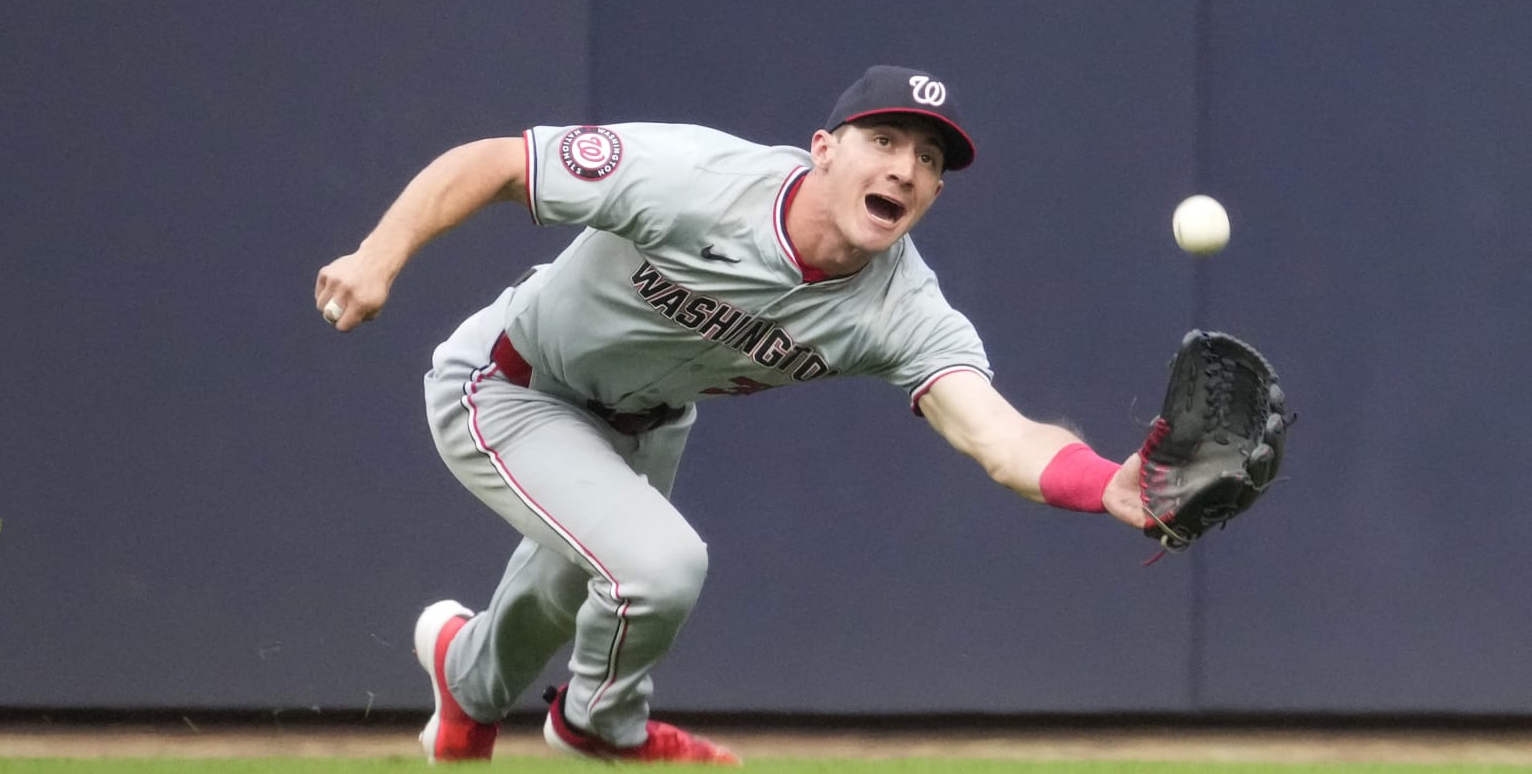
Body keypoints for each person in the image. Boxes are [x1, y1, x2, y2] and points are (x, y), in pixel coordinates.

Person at [314, 65, 1149, 765]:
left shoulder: (903, 308)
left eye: (929, 159)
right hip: (509, 384)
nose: (905, 168)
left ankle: (465, 685)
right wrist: (377, 256)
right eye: (884, 141)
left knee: (561, 594)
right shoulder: (697, 180)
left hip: (647, 424)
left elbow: (998, 436)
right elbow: (498, 162)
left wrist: (1107, 483)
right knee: (659, 566)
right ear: (824, 150)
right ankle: (596, 724)